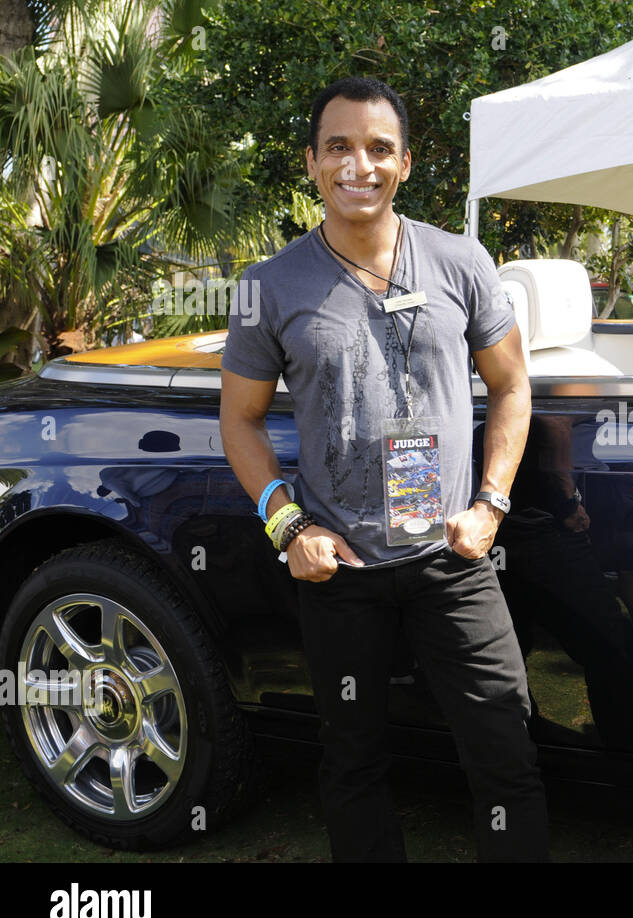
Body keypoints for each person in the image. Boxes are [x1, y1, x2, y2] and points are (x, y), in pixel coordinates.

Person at [218, 76, 547, 862]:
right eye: (338, 147)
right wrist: (287, 524)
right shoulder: (267, 287)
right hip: (341, 571)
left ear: (405, 162)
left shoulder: (460, 261)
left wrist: (491, 504)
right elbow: (240, 418)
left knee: (506, 751)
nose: (357, 164)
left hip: (453, 556)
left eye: (377, 148)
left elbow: (511, 386)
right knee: (354, 764)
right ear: (311, 162)